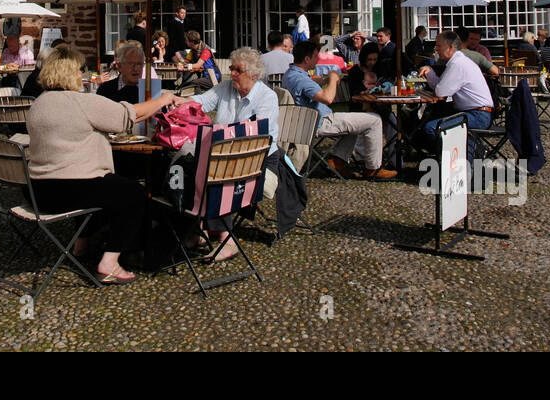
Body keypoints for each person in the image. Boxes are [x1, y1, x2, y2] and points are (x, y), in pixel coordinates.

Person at [26, 45, 179, 284]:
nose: (82, 74)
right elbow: (125, 116)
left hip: (38, 190)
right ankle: (110, 261)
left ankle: (82, 243)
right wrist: (164, 99)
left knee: (109, 186)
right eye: (80, 70)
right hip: (71, 188)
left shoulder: (39, 103)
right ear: (68, 72)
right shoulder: (80, 101)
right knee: (133, 194)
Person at [186, 47, 282, 262]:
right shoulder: (226, 88)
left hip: (260, 158)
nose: (233, 74)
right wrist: (175, 101)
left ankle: (225, 238)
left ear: (254, 75)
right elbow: (201, 101)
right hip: (224, 153)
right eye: (231, 69)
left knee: (218, 174)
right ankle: (198, 228)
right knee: (188, 167)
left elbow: (257, 135)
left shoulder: (267, 98)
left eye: (238, 70)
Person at [284, 39, 397, 181]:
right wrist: (332, 79)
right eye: (315, 56)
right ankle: (372, 168)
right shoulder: (300, 79)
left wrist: (323, 80)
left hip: (307, 120)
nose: (318, 59)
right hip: (319, 122)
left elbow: (307, 86)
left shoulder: (291, 74)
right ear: (307, 59)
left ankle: (338, 160)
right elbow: (328, 98)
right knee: (374, 120)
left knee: (356, 121)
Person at [417, 31, 495, 159]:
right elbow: (441, 86)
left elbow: (441, 92)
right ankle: (460, 155)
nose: (436, 49)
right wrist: (429, 72)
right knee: (433, 119)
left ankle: (456, 159)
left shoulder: (458, 64)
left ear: (451, 47)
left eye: (438, 46)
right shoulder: (457, 62)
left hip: (478, 115)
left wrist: (431, 74)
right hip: (476, 112)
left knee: (432, 128)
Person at [96, 42, 163, 104]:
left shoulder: (151, 89)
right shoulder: (105, 90)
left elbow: (160, 115)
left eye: (139, 64)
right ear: (119, 66)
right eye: (131, 64)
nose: (136, 69)